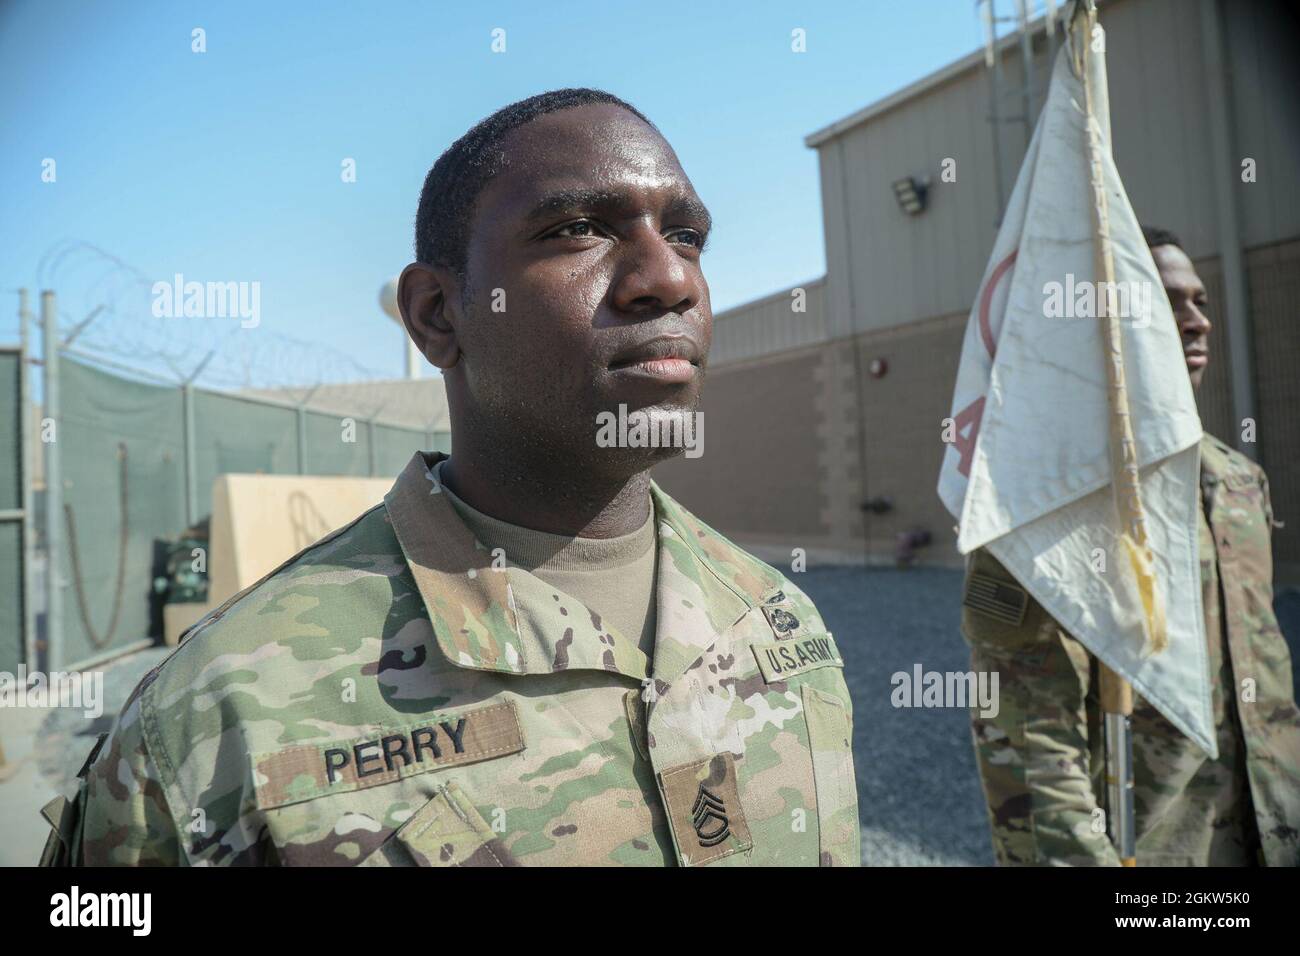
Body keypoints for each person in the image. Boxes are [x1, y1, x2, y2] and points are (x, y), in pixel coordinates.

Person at [38, 88, 859, 867]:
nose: (670, 278)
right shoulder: (221, 714)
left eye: (686, 236)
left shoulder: (779, 621)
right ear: (437, 314)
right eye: (579, 228)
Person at [960, 226, 1300, 866]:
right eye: (1171, 302)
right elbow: (1032, 751)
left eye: (1201, 301)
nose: (1198, 322)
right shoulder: (1052, 507)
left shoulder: (1236, 481)